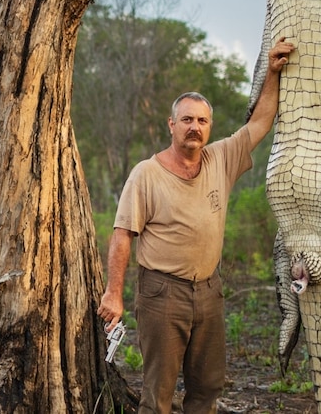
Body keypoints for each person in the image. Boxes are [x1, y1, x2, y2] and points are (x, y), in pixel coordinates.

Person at [97, 37, 295, 414]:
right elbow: (122, 234)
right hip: (162, 293)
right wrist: (113, 293)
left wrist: (272, 72)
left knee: (206, 388)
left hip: (209, 291)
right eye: (186, 120)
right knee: (158, 395)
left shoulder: (221, 158)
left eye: (202, 121)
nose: (194, 127)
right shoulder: (147, 174)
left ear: (210, 127)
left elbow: (261, 122)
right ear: (172, 125)